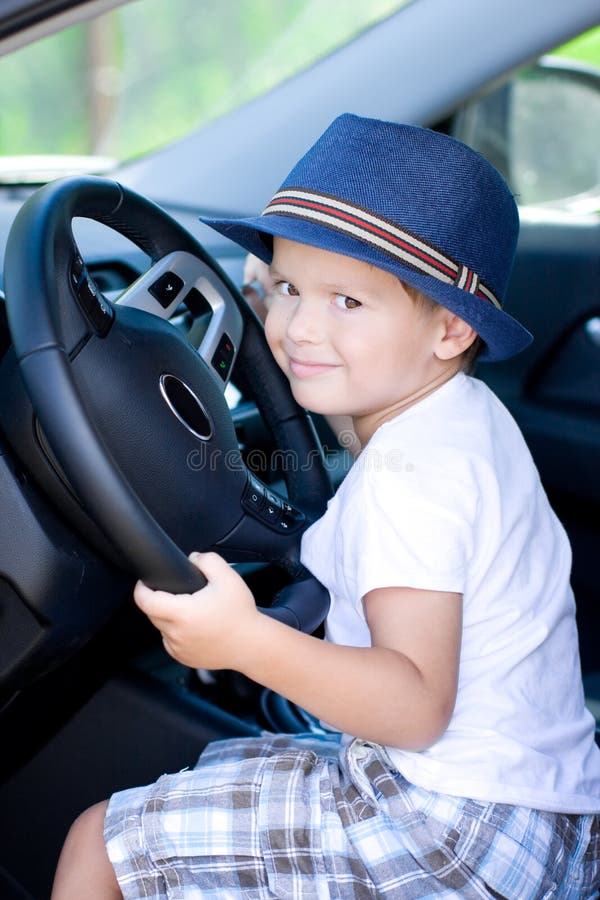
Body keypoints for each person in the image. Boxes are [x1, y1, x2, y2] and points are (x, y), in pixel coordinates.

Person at [51, 114, 600, 899]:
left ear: (450, 328)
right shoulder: (460, 420)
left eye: (347, 300)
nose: (298, 326)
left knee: (101, 845)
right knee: (230, 766)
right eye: (284, 287)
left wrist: (241, 641)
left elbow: (413, 706)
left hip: (451, 825)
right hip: (543, 811)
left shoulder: (412, 472)